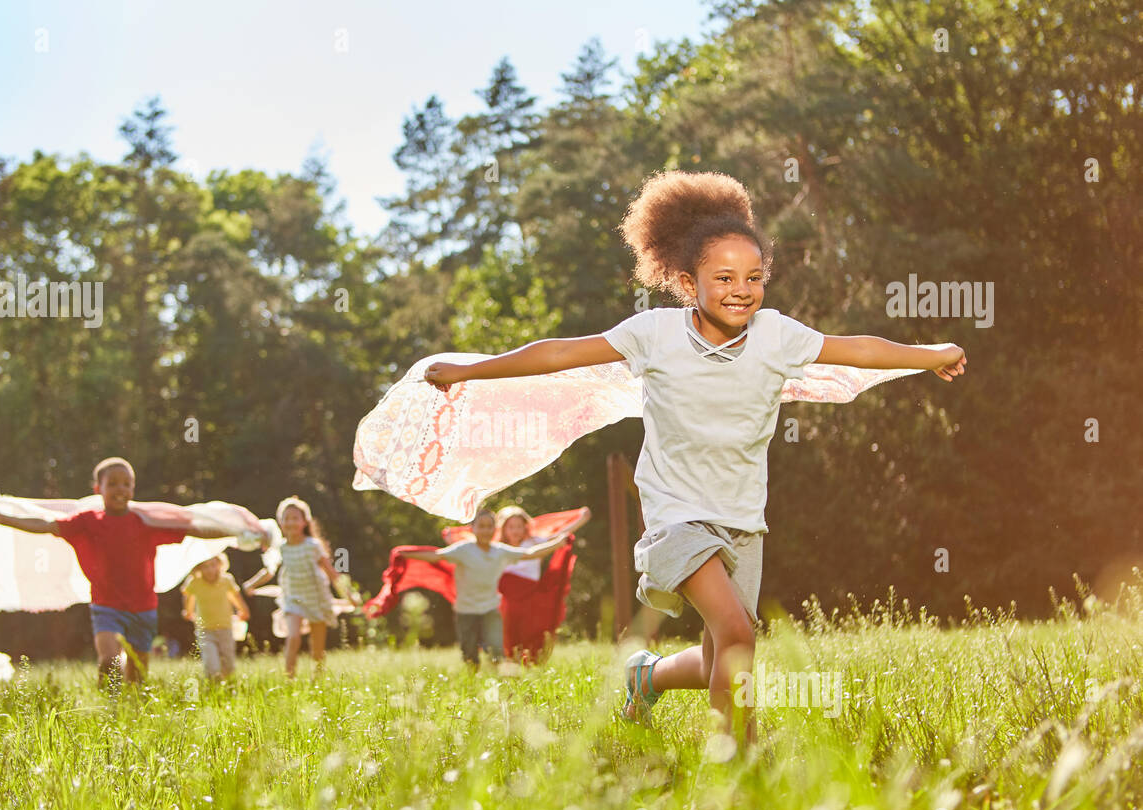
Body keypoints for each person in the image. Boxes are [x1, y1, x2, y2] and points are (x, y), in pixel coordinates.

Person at [423, 170, 966, 742]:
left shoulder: (776, 335)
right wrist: (470, 370)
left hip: (743, 522)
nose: (741, 289)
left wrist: (927, 353)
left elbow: (855, 348)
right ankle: (736, 766)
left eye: (754, 277)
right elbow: (559, 352)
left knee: (718, 662)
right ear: (687, 281)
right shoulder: (655, 334)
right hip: (676, 517)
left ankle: (646, 677)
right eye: (724, 276)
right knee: (739, 638)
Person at [0, 457, 243, 688]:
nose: (119, 489)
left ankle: (128, 712)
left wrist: (238, 532)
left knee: (137, 675)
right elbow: (45, 524)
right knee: (109, 660)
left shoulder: (145, 523)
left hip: (144, 608)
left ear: (133, 488)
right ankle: (107, 703)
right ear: (97, 488)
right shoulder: (88, 522)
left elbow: (194, 529)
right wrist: (3, 519)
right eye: (111, 483)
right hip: (106, 606)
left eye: (125, 483)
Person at [402, 508, 570, 669]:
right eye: (481, 526)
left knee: (497, 650)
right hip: (466, 610)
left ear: (495, 529)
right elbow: (436, 556)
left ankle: (502, 683)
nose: (485, 531)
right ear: (473, 529)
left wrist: (557, 543)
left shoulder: (500, 551)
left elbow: (531, 553)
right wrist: (404, 553)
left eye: (489, 526)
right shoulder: (463, 550)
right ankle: (473, 677)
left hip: (490, 608)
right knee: (469, 654)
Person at [243, 496, 347, 678]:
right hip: (293, 598)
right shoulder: (280, 548)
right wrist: (252, 584)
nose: (290, 522)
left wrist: (348, 594)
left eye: (295, 518)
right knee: (293, 637)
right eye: (286, 518)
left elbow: (332, 573)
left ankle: (318, 678)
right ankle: (289, 678)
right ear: (280, 522)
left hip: (317, 598)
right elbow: (269, 571)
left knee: (317, 646)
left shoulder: (313, 546)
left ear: (305, 522)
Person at [496, 505, 591, 663]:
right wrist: (450, 537)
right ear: (504, 529)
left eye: (519, 526)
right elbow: (473, 547)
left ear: (525, 527)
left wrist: (582, 518)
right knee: (508, 632)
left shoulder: (534, 542)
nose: (515, 531)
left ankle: (530, 662)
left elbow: (560, 536)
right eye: (511, 527)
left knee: (530, 631)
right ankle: (510, 664)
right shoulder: (498, 547)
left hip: (529, 596)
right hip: (508, 599)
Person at [182, 554, 249, 681]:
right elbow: (189, 597)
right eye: (205, 567)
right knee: (211, 664)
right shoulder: (195, 582)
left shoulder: (226, 580)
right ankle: (214, 688)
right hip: (205, 630)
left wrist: (243, 610)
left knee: (229, 665)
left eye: (213, 565)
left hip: (226, 627)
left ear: (219, 565)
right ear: (199, 568)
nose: (210, 570)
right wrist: (188, 611)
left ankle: (227, 687)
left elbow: (235, 596)